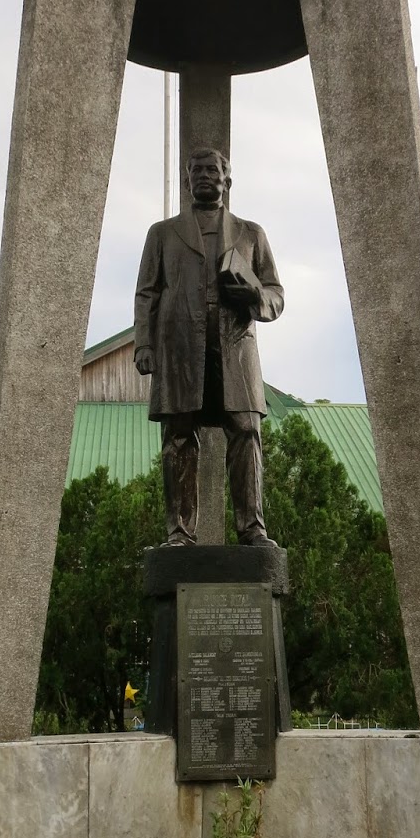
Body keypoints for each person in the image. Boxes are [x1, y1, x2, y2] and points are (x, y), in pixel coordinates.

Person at [134, 146, 284, 546]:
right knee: (179, 436)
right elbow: (147, 293)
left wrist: (253, 292)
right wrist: (143, 344)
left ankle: (252, 528)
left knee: (246, 430)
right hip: (180, 347)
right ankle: (180, 533)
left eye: (212, 170)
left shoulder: (251, 233)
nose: (204, 176)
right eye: (196, 170)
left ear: (227, 181)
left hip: (235, 345)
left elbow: (275, 293)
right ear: (186, 181)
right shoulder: (162, 233)